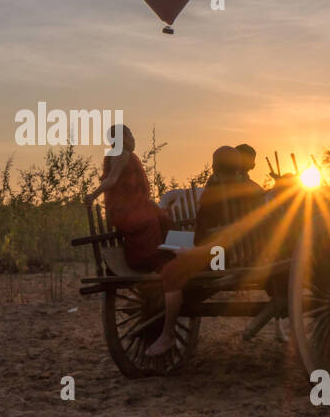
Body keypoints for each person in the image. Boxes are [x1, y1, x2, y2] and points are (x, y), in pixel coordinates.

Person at [147, 146, 267, 356]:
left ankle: (167, 335)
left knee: (172, 270)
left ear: (213, 167)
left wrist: (188, 250)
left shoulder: (212, 194)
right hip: (250, 255)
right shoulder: (255, 190)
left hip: (221, 258)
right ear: (239, 167)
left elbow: (201, 237)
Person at [85, 124, 172, 272]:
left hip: (133, 207)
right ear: (123, 137)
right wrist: (93, 195)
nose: (133, 139)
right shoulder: (121, 154)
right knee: (153, 220)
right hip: (128, 210)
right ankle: (151, 261)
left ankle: (164, 257)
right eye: (130, 135)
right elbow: (112, 179)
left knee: (161, 217)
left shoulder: (120, 154)